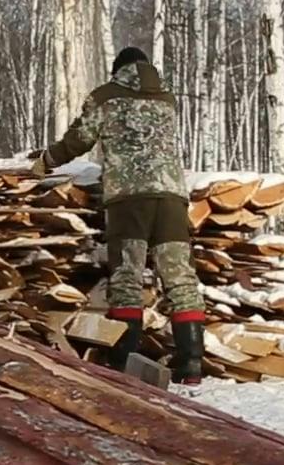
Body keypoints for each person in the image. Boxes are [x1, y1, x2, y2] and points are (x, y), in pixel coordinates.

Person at [33, 47, 204, 384]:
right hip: (171, 198)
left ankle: (124, 358)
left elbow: (78, 140)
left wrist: (46, 161)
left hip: (128, 200)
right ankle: (192, 363)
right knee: (180, 278)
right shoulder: (167, 99)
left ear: (118, 70)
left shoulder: (105, 97)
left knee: (127, 276)